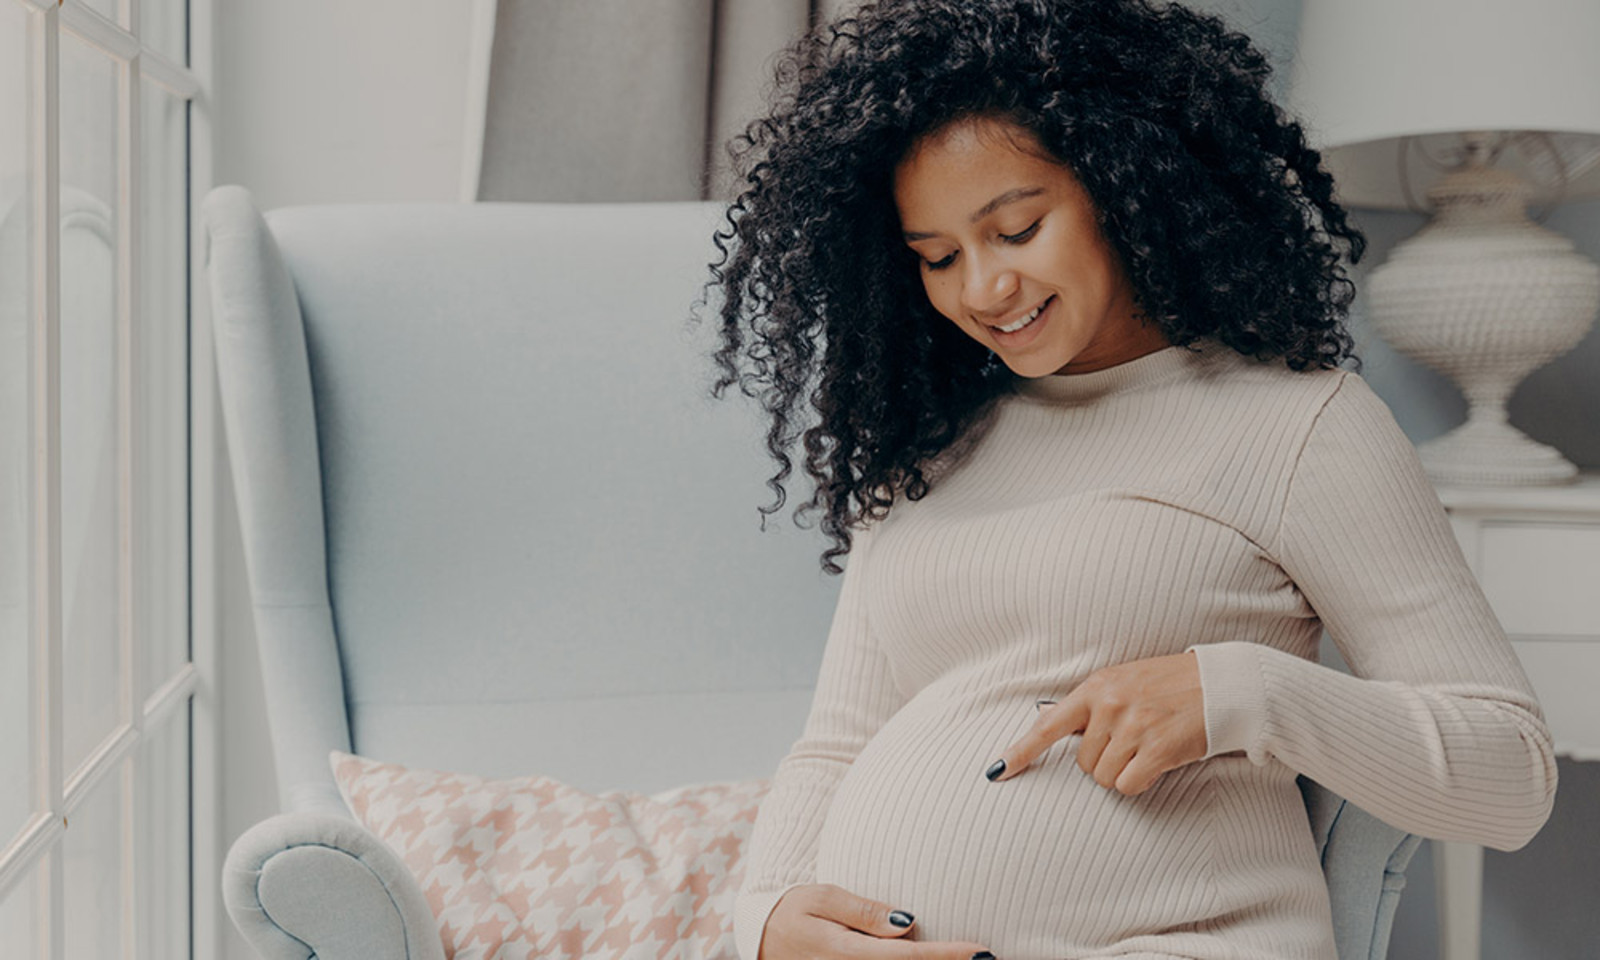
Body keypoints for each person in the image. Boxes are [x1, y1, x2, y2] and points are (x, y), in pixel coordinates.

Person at [694, 2, 1559, 958]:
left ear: (1122, 187)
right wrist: (769, 916)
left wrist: (1241, 694)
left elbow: (1510, 776)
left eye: (1016, 230)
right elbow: (838, 743)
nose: (982, 289)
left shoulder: (1296, 426)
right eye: (938, 258)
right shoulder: (928, 448)